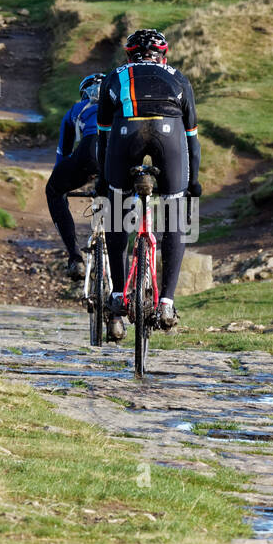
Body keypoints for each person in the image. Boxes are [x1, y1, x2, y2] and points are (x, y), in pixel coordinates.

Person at [96, 28, 201, 340]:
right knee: (174, 213)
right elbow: (193, 141)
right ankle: (166, 302)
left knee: (117, 212)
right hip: (170, 135)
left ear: (129, 55)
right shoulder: (179, 76)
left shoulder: (114, 75)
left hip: (126, 134)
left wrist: (104, 181)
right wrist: (193, 182)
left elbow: (102, 137)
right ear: (163, 55)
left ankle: (117, 299)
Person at [45, 74, 104, 278]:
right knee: (123, 198)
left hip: (88, 152)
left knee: (53, 190)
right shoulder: (121, 105)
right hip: (118, 152)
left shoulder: (76, 110)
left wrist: (63, 181)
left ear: (84, 94)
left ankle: (75, 257)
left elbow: (63, 154)